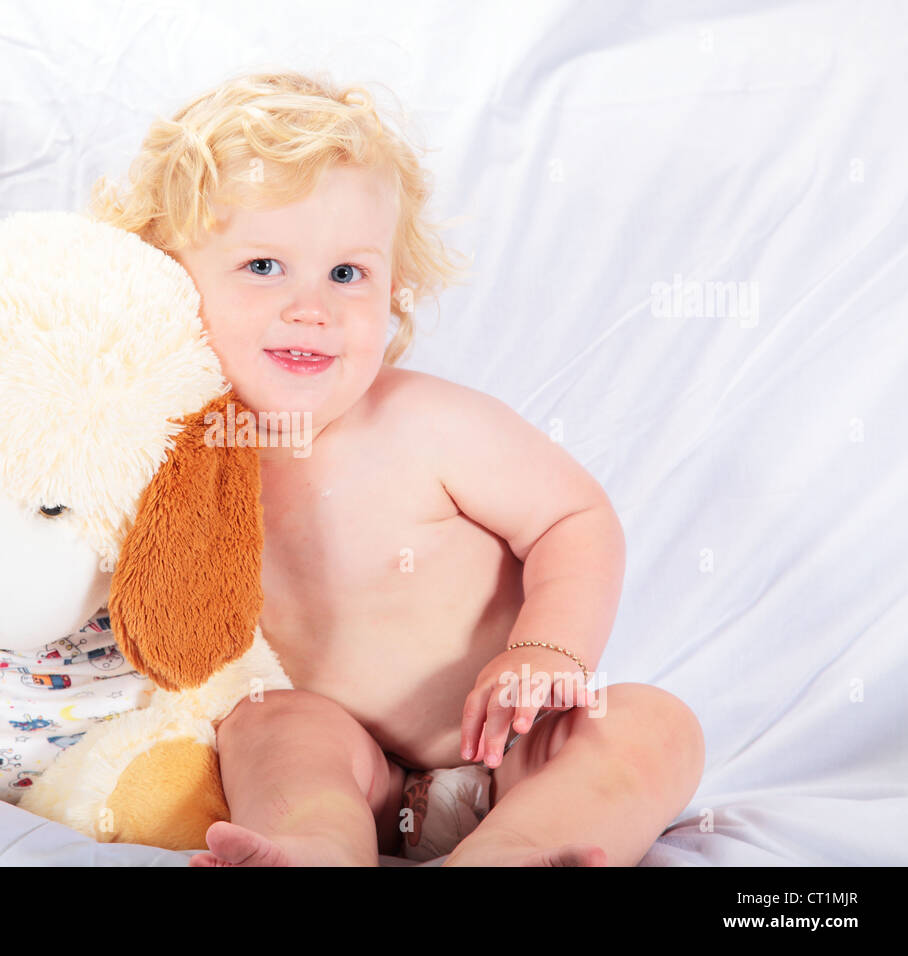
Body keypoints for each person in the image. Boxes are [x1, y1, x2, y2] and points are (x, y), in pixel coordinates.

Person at [88, 70, 704, 866]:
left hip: (515, 752)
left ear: (393, 291)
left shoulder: (426, 422)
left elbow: (574, 520)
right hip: (356, 778)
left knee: (654, 725)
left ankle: (515, 850)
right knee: (265, 721)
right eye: (264, 266)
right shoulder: (177, 464)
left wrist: (546, 651)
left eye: (348, 274)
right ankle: (313, 847)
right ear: (168, 280)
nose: (312, 306)